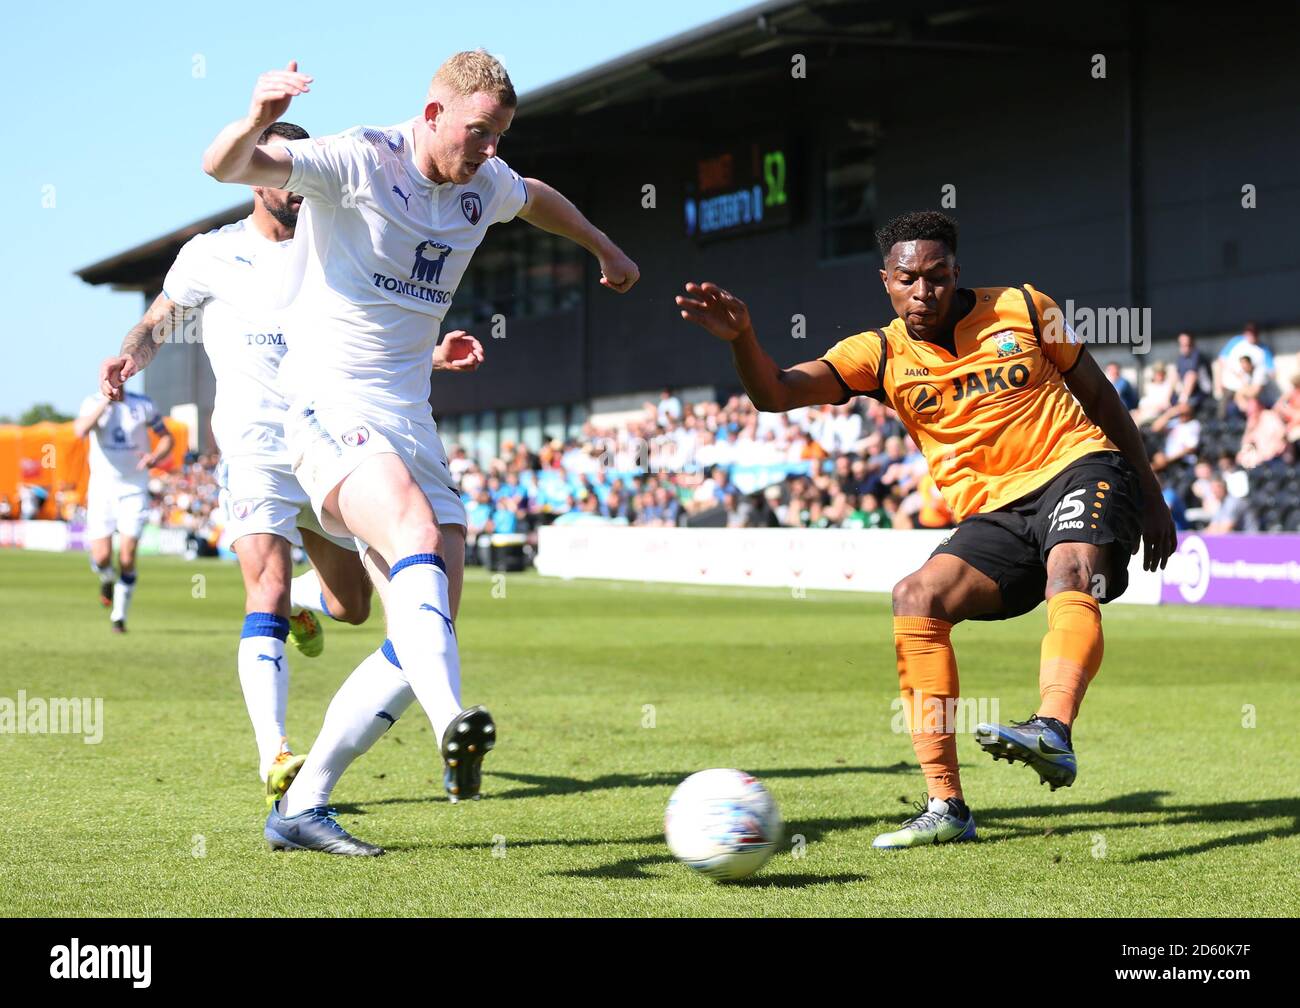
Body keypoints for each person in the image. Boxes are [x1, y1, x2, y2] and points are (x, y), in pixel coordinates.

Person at [202, 51, 638, 855]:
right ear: (434, 112)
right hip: (324, 403)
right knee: (412, 536)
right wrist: (259, 115)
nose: (489, 151)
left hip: (410, 415)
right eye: (479, 132)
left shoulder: (486, 181)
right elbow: (225, 164)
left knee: (424, 625)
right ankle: (454, 722)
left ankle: (302, 804)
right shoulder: (360, 158)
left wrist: (601, 245)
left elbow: (534, 198)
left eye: (501, 135)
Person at [677, 210, 1175, 849]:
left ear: (957, 272)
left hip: (1078, 466)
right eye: (908, 278)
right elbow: (774, 392)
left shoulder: (1025, 307)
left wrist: (1153, 495)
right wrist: (742, 336)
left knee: (1070, 573)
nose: (924, 292)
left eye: (937, 276)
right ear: (885, 280)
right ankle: (947, 808)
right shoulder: (879, 352)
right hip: (993, 515)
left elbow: (1101, 397)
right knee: (917, 597)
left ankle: (1052, 727)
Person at [99, 121, 478, 803]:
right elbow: (158, 320)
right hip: (255, 449)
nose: (298, 187)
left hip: (333, 442)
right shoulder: (210, 256)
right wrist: (132, 353)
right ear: (258, 177)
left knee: (354, 607)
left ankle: (309, 603)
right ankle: (275, 751)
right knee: (263, 587)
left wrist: (433, 356)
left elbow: (370, 337)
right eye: (284, 173)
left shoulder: (338, 245)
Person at [73, 390, 174, 633]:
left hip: (134, 487)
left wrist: (154, 457)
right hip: (101, 489)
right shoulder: (92, 402)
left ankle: (119, 617)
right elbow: (80, 430)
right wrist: (106, 402)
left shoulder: (143, 405)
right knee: (101, 558)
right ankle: (107, 579)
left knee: (127, 556)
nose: (117, 382)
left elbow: (167, 439)